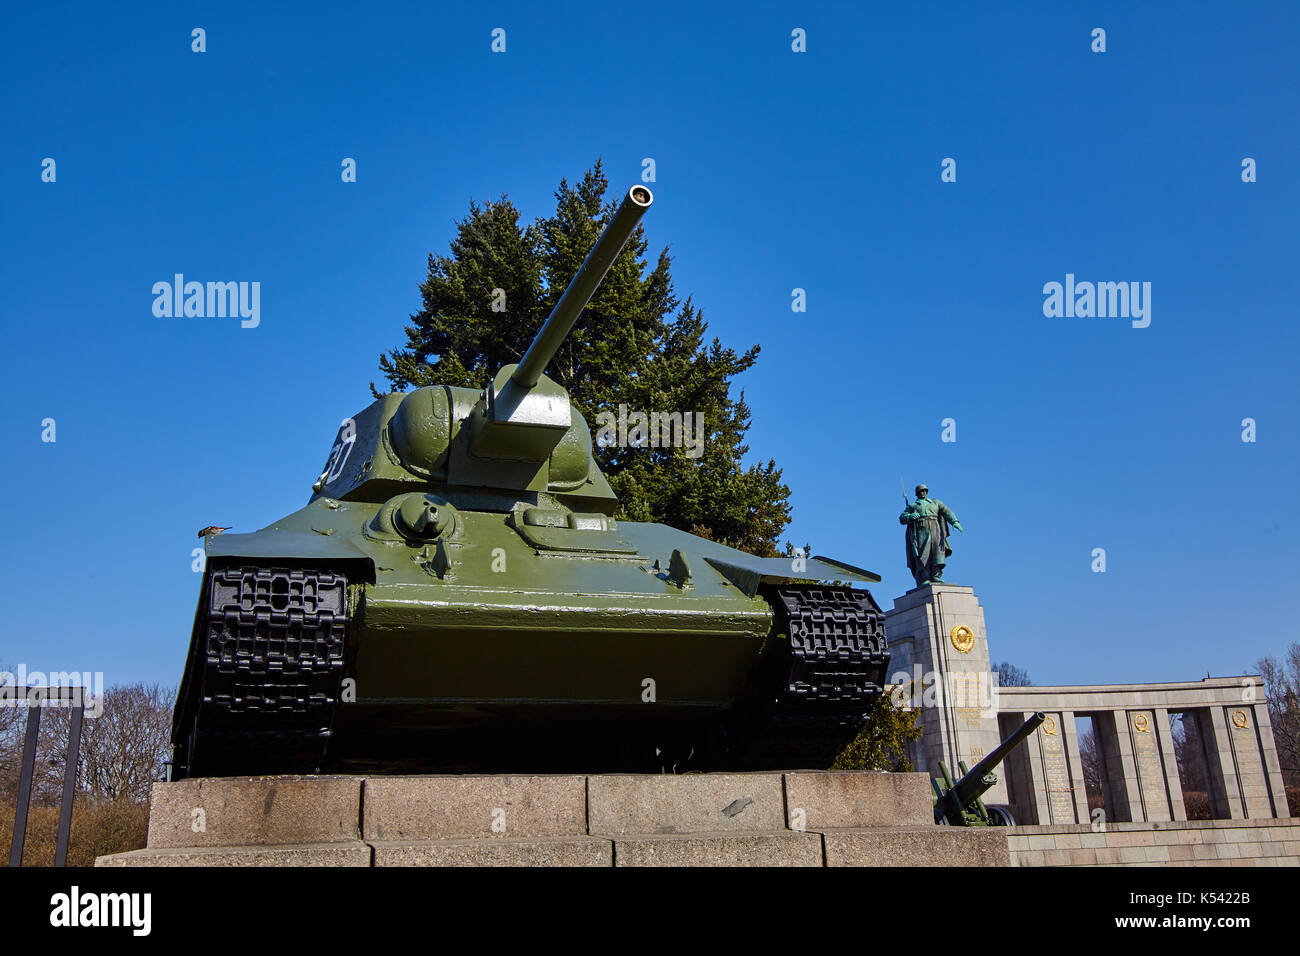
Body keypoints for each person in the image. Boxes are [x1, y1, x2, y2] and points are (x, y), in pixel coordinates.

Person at [900, 484, 963, 587]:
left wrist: (954, 521)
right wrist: (910, 516)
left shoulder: (935, 503)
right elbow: (902, 518)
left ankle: (936, 576)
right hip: (922, 531)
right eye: (921, 491)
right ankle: (924, 578)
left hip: (935, 529)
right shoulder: (913, 505)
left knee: (937, 553)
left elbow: (947, 511)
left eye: (925, 491)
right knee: (924, 555)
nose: (923, 493)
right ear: (917, 493)